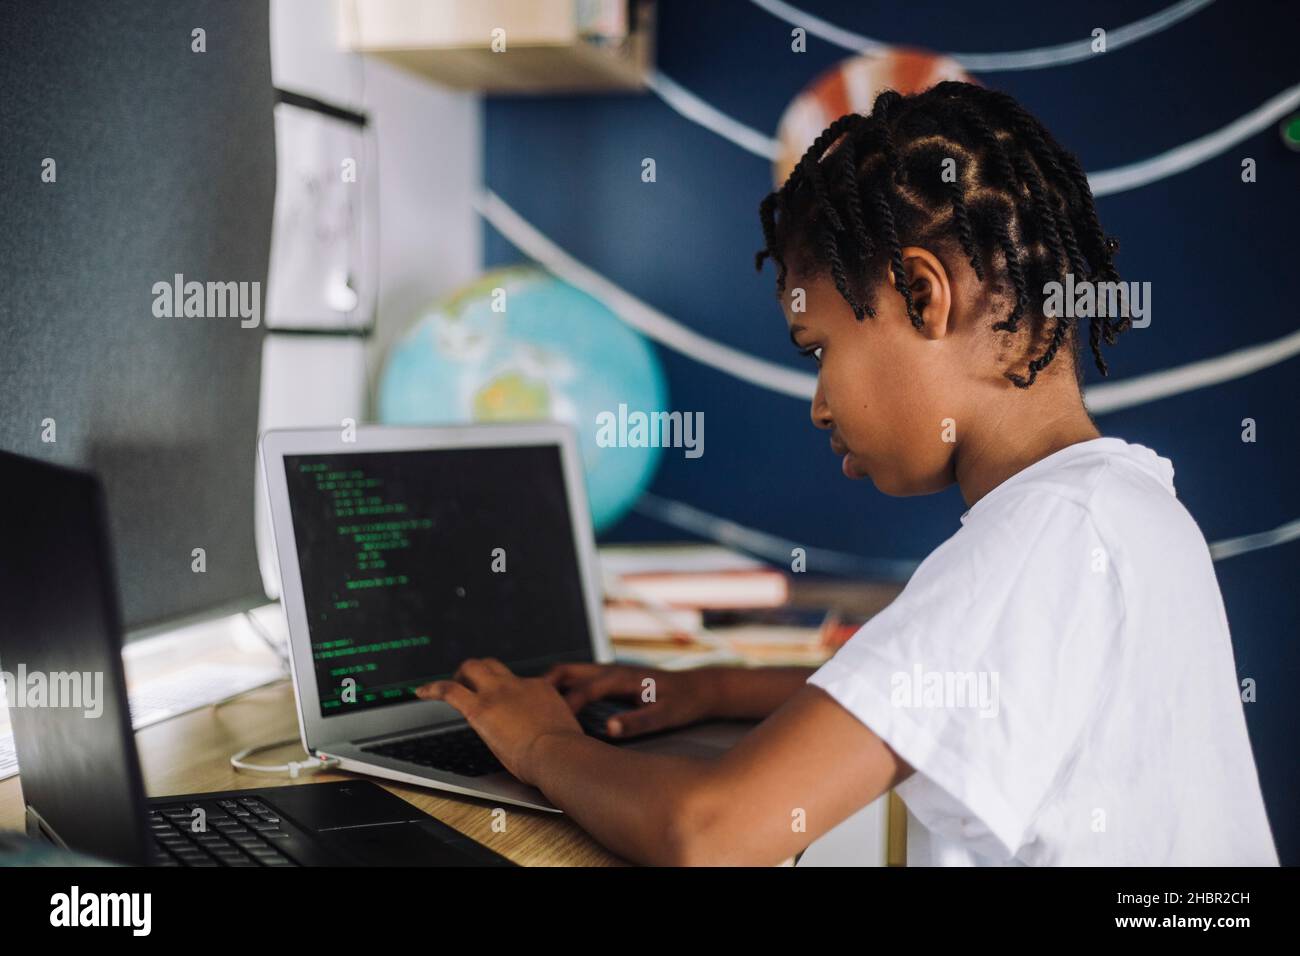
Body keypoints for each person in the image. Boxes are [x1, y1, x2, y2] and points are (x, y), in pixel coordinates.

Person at [417, 82, 1277, 866]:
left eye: (821, 351)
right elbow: (944, 695)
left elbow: (710, 834)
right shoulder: (1121, 504)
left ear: (921, 294)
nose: (820, 405)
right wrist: (712, 689)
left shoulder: (1050, 538)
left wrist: (540, 747)